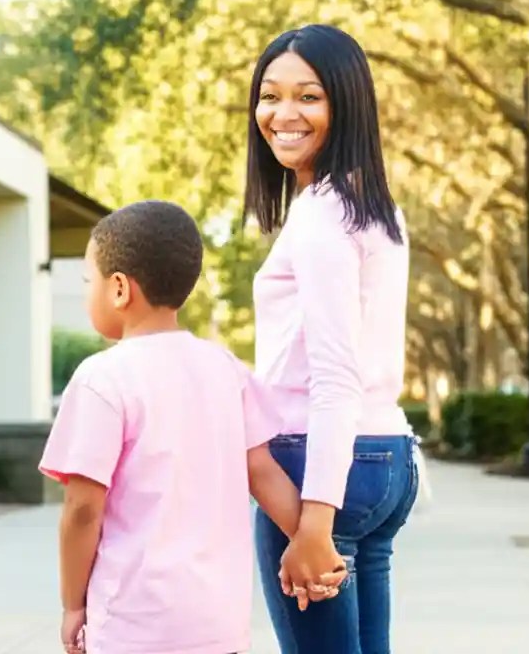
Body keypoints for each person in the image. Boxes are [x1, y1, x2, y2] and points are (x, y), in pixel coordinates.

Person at [39, 200, 343, 654]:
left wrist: (72, 605)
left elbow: (83, 508)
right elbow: (262, 472)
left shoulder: (100, 379)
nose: (88, 292)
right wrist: (312, 544)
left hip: (132, 629)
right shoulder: (225, 368)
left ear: (119, 289)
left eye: (89, 281)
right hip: (218, 628)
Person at [244, 23, 420, 654]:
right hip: (387, 456)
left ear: (346, 103)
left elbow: (334, 373)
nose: (283, 114)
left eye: (308, 96)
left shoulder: (322, 211)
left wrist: (314, 518)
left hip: (319, 468)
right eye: (270, 95)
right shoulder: (373, 204)